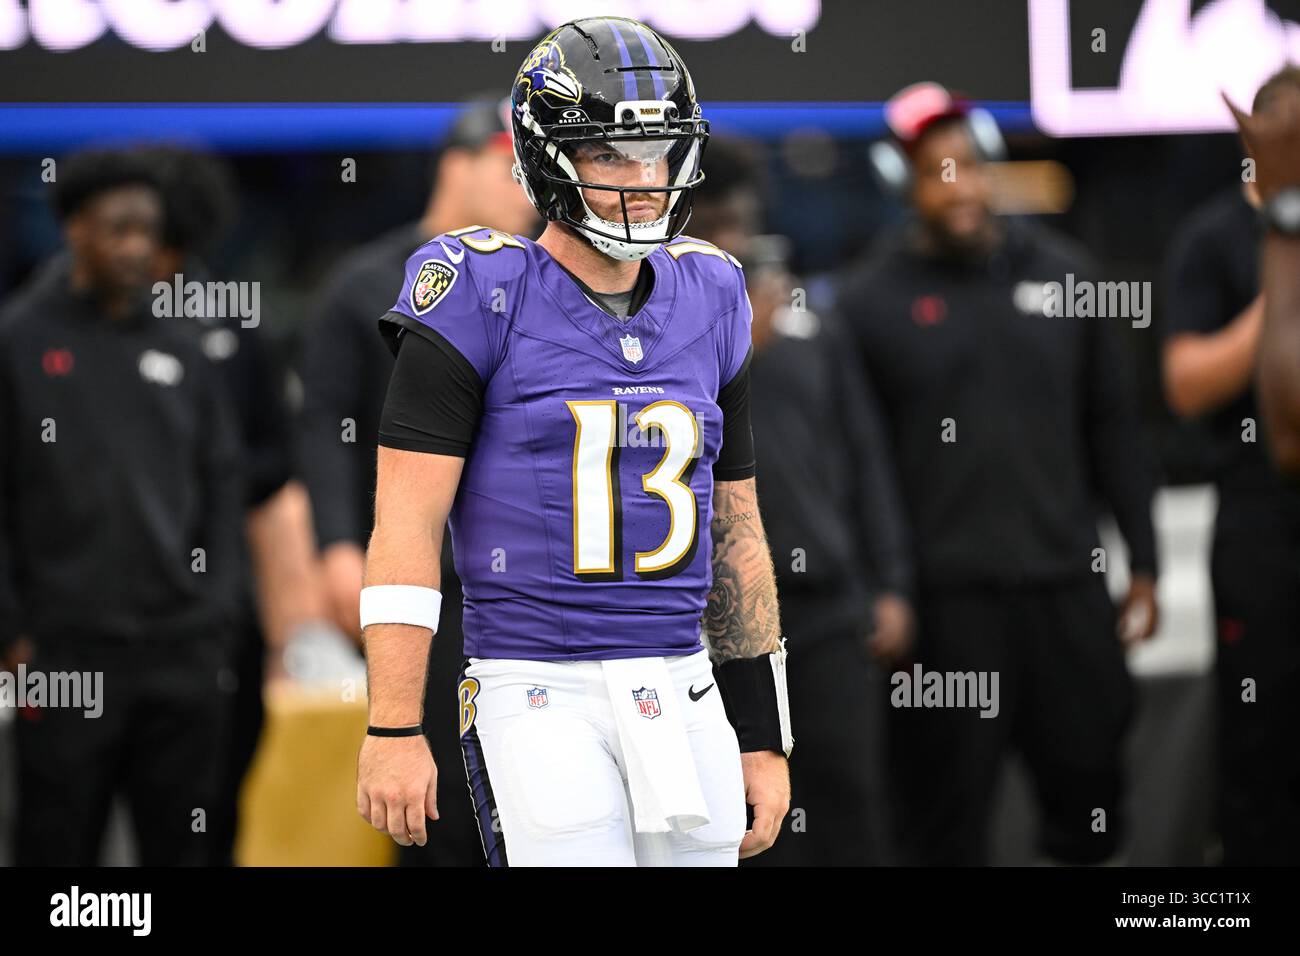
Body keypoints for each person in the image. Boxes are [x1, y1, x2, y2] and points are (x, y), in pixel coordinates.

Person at [355, 17, 791, 867]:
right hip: (536, 684)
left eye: (657, 153)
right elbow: (404, 526)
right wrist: (394, 724)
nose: (642, 180)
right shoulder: (478, 290)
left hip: (684, 679)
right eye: (607, 156)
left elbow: (736, 528)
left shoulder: (712, 293)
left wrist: (763, 729)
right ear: (546, 158)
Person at [838, 83, 1160, 866]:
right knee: (945, 828)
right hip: (945, 614)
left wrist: (1145, 562)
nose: (959, 187)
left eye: (969, 165)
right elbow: (859, 467)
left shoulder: (1067, 273)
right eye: (935, 170)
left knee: (1090, 810)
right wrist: (885, 589)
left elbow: (1114, 426)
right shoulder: (867, 304)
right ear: (900, 181)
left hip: (1066, 592)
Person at [296, 97, 536, 867]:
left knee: (538, 795)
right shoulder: (367, 282)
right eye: (511, 170)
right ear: (456, 164)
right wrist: (336, 546)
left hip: (527, 578)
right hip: (419, 577)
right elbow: (327, 427)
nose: (528, 193)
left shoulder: (546, 282)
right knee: (434, 799)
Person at [0, 148, 242, 865]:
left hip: (181, 651)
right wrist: (12, 628)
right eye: (117, 228)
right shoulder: (17, 341)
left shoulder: (184, 342)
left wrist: (218, 605)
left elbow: (223, 480)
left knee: (183, 843)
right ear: (74, 229)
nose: (137, 247)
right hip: (65, 648)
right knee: (56, 842)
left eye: (147, 229)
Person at [688, 140, 912, 865]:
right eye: (718, 223)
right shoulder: (652, 334)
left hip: (824, 609)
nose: (736, 238)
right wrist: (735, 348)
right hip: (717, 618)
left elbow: (865, 457)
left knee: (849, 795)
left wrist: (890, 582)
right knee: (746, 816)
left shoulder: (811, 322)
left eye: (744, 221)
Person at [1200, 66, 1300, 865]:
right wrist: (1286, 249)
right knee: (1259, 738)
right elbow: (1187, 383)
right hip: (1259, 521)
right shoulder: (1214, 238)